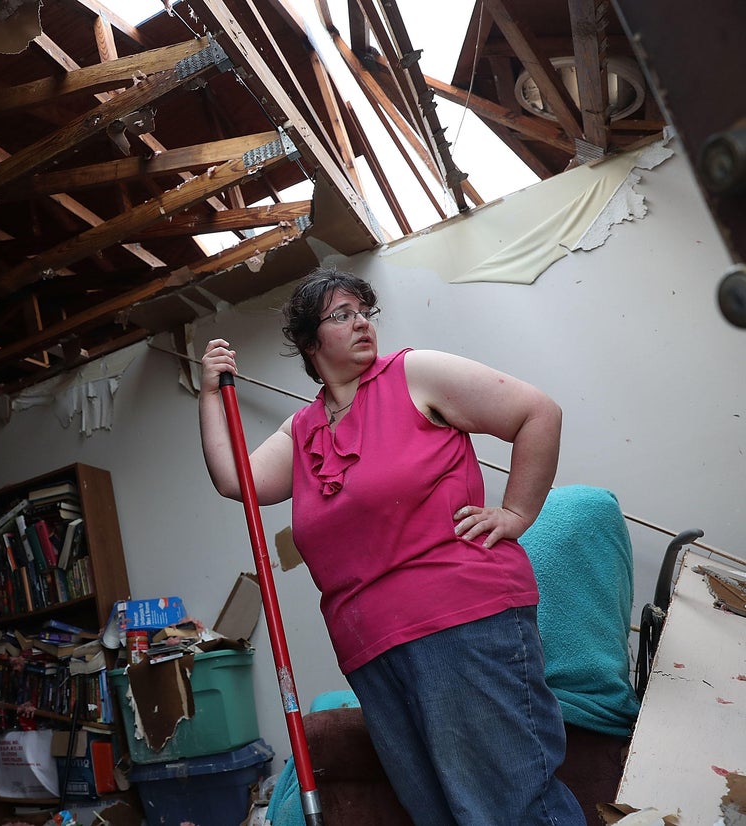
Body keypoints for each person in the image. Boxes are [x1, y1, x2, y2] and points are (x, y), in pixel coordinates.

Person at [198, 267, 582, 826]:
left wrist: (518, 512)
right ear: (311, 342)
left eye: (364, 312)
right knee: (438, 814)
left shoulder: (414, 374)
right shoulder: (302, 431)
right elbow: (238, 480)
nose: (361, 324)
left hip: (460, 622)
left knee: (508, 807)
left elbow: (536, 412)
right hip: (371, 650)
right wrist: (210, 393)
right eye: (342, 315)